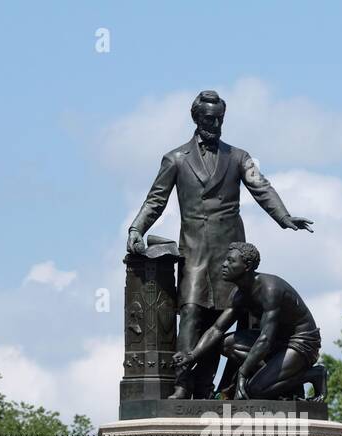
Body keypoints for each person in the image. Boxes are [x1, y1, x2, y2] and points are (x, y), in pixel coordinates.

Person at [127, 90, 313, 398]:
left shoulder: (238, 156)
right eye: (210, 119)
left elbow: (261, 187)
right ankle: (183, 385)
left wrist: (284, 217)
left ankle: (213, 387)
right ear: (197, 119)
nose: (216, 125)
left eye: (220, 119)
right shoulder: (176, 158)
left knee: (224, 318)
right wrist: (137, 228)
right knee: (191, 313)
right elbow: (156, 199)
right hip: (195, 251)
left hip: (231, 253)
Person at [173, 242, 325, 401]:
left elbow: (265, 340)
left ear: (247, 266)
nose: (224, 265)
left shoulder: (270, 290)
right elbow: (217, 329)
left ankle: (313, 374)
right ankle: (273, 378)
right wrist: (192, 355)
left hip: (301, 343)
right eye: (225, 260)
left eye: (231, 261)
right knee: (226, 343)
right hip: (276, 343)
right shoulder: (239, 294)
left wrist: (243, 373)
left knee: (254, 391)